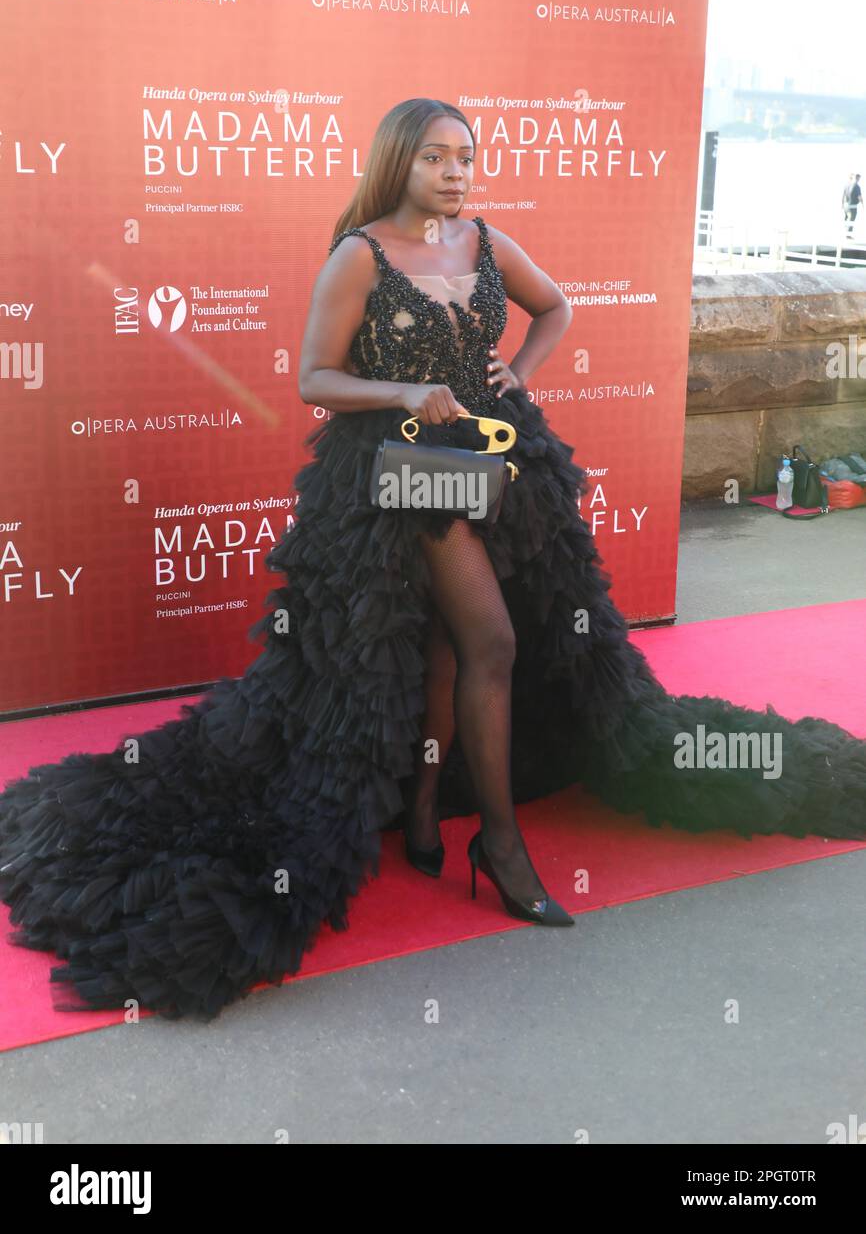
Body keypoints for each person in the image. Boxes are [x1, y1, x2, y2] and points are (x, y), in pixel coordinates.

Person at [2, 96, 866, 1023]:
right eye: (437, 158)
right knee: (489, 640)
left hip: (501, 454)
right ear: (398, 164)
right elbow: (312, 378)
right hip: (406, 469)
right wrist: (407, 386)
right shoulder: (360, 255)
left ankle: (421, 811)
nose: (457, 172)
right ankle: (496, 843)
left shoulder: (486, 242)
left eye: (467, 155)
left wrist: (521, 371)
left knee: (455, 646)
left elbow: (557, 307)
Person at [842, 173, 862, 237]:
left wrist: (842, 204)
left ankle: (846, 233)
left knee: (847, 219)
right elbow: (859, 197)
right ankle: (848, 235)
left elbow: (843, 196)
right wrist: (863, 205)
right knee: (851, 219)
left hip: (846, 206)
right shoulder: (856, 186)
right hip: (852, 206)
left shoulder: (846, 185)